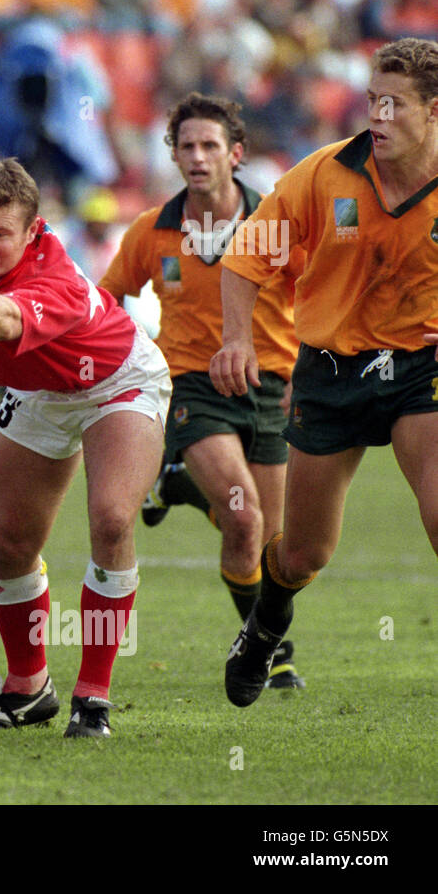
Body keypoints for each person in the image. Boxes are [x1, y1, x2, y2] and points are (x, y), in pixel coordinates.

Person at [0, 158, 171, 739]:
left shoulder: (58, 278)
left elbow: (1, 321)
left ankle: (93, 699)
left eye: (1, 234)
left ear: (32, 232)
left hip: (116, 379)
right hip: (36, 389)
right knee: (9, 542)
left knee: (112, 518)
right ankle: (28, 688)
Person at [210, 37, 438, 708]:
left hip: (422, 369)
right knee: (304, 553)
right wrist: (235, 341)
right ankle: (265, 627)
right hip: (330, 374)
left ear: (434, 111)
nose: (378, 116)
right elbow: (246, 257)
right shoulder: (325, 174)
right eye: (371, 100)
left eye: (394, 104)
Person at [100, 93, 305, 691]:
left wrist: (309, 372)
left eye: (210, 144)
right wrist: (111, 367)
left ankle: (177, 485)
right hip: (193, 384)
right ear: (174, 155)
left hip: (272, 386)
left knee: (275, 543)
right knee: (243, 517)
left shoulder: (279, 225)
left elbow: (321, 293)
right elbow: (105, 299)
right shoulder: (152, 230)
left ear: (236, 153)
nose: (197, 156)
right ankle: (271, 648)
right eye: (185, 145)